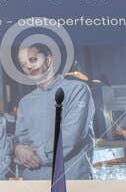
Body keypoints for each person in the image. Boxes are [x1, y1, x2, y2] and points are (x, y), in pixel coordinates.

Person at [12, 44, 93, 180]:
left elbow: (70, 137)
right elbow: (21, 139)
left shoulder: (78, 90)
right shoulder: (25, 102)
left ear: (49, 60)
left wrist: (33, 157)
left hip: (70, 180)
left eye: (32, 60)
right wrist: (17, 148)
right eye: (23, 64)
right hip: (33, 180)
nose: (28, 67)